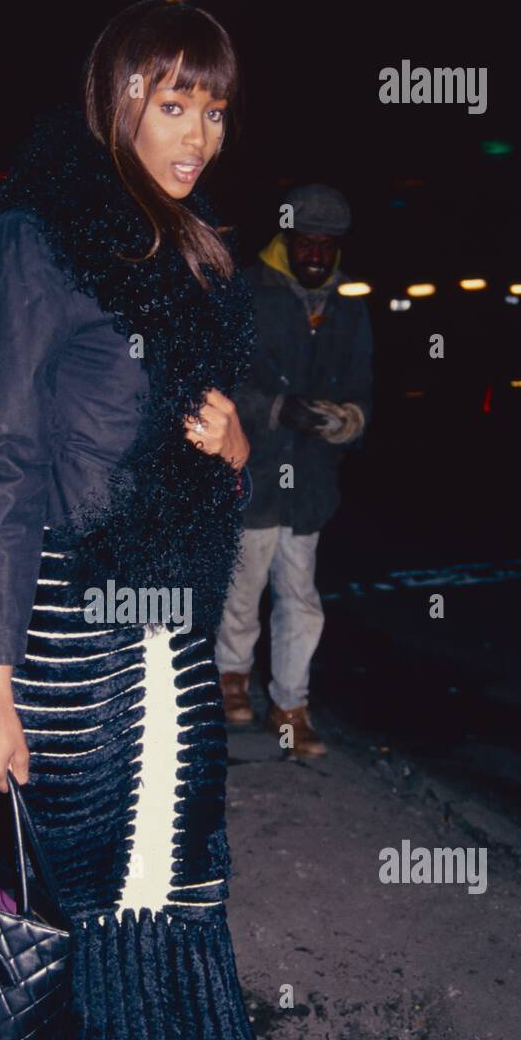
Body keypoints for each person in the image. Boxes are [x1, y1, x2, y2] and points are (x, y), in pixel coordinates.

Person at [0, 0, 285, 1040]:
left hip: (170, 635)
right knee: (56, 892)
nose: (197, 128)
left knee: (189, 893)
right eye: (172, 97)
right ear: (116, 98)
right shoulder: (40, 238)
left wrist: (239, 448)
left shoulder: (193, 247)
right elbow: (7, 467)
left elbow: (186, 443)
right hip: (60, 631)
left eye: (213, 103)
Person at [216, 185, 373, 755]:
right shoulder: (247, 294)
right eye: (305, 243)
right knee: (242, 587)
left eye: (326, 246)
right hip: (254, 472)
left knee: (301, 599)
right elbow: (219, 382)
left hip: (308, 485)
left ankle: (289, 708)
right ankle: (231, 678)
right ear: (286, 241)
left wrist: (347, 420)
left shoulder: (349, 310)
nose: (315, 256)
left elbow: (362, 390)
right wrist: (280, 409)